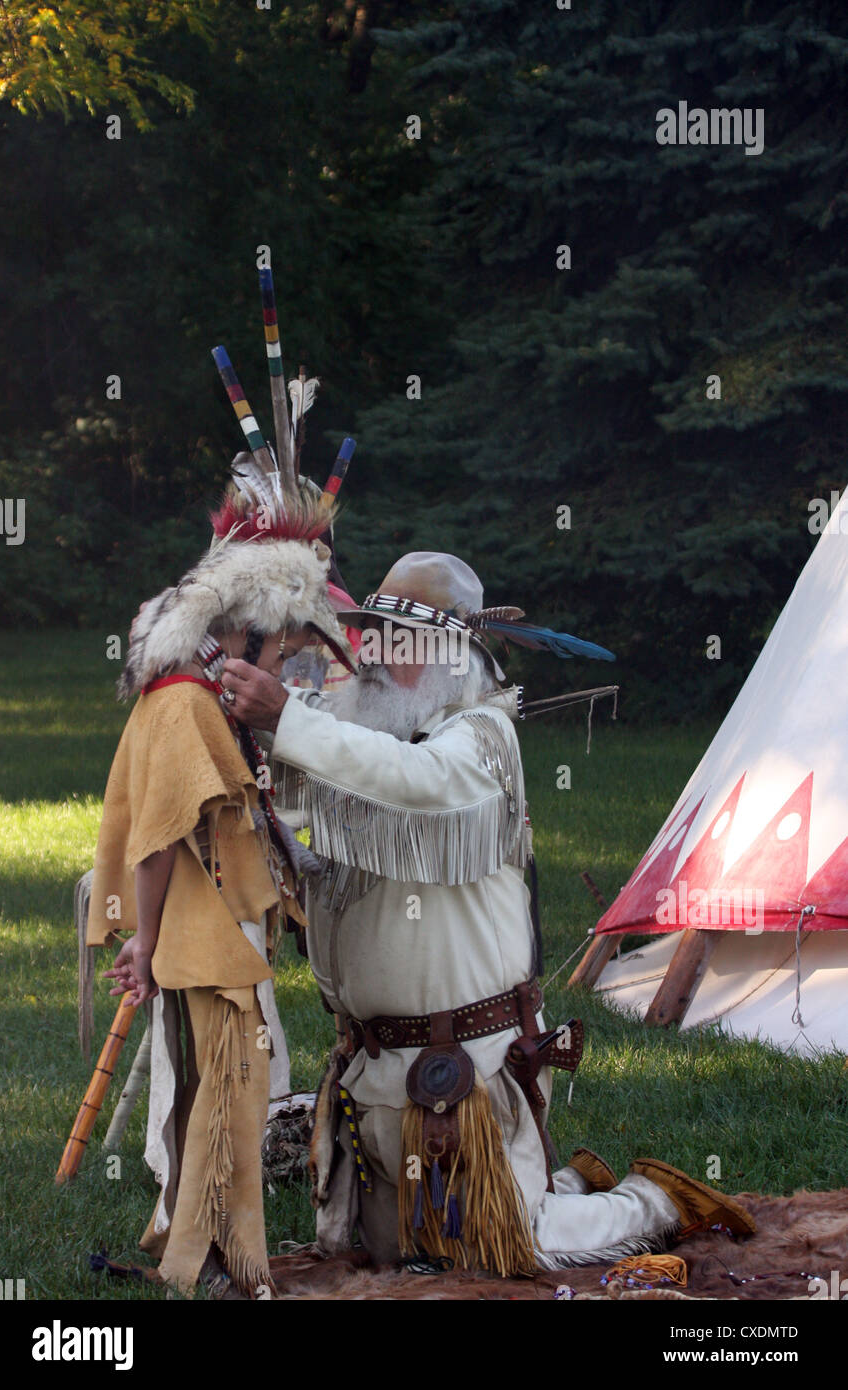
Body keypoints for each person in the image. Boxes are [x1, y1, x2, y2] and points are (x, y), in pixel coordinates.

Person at [220, 551, 755, 1276]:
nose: (372, 656)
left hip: (460, 1071)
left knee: (503, 1250)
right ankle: (564, 1186)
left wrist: (288, 717)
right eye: (371, 634)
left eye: (397, 641)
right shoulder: (365, 743)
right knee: (382, 1256)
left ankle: (651, 1201)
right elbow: (301, 801)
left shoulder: (481, 739)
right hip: (378, 1073)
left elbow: (418, 782)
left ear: (451, 658)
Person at [86, 484, 354, 1297]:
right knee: (228, 1103)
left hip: (214, 938)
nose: (286, 666)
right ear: (247, 627)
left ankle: (210, 1258)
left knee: (228, 1100)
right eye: (283, 649)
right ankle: (216, 1265)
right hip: (206, 943)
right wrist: (146, 938)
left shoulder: (197, 698)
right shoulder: (184, 707)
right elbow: (158, 836)